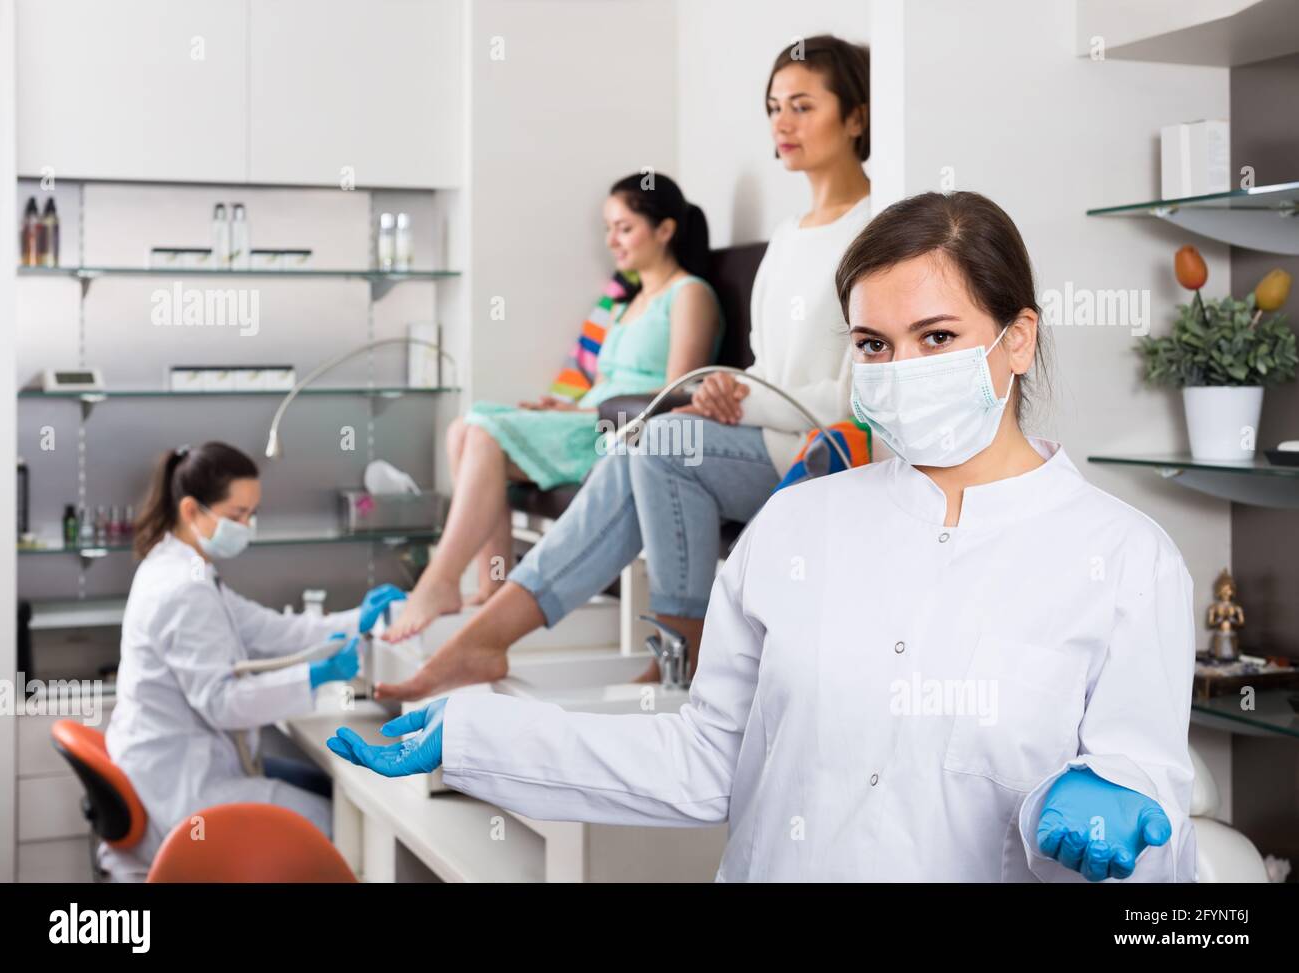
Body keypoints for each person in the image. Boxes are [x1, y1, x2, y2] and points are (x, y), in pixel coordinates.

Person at [329, 191, 1198, 883]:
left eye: (937, 337)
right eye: (874, 345)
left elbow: (1156, 836)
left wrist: (1124, 811)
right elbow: (708, 758)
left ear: (1017, 341)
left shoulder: (1123, 559)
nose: (901, 372)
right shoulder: (801, 522)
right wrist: (477, 736)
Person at [378, 34, 874, 695]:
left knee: (655, 444)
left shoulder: (879, 229)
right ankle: (507, 637)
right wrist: (724, 391)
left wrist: (738, 399)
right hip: (758, 432)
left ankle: (659, 655)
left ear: (856, 117)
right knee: (648, 444)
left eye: (803, 106)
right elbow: (764, 365)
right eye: (773, 107)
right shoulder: (787, 239)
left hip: (824, 448)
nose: (781, 124)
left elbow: (853, 393)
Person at [383, 172, 722, 637]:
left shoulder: (690, 295)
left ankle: (441, 580)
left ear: (665, 230)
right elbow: (603, 382)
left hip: (624, 432)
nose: (612, 241)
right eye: (608, 229)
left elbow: (674, 395)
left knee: (482, 432)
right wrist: (565, 407)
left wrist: (585, 414)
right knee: (464, 426)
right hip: (591, 415)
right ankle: (491, 585)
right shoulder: (626, 304)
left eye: (624, 228)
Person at [101, 442, 404, 877]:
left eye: (251, 514)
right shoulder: (181, 589)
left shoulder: (185, 570)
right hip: (185, 791)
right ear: (191, 510)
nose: (247, 526)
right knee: (344, 827)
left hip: (177, 768)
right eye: (236, 516)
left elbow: (266, 630)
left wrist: (358, 619)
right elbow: (222, 703)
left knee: (332, 796)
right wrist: (314, 678)